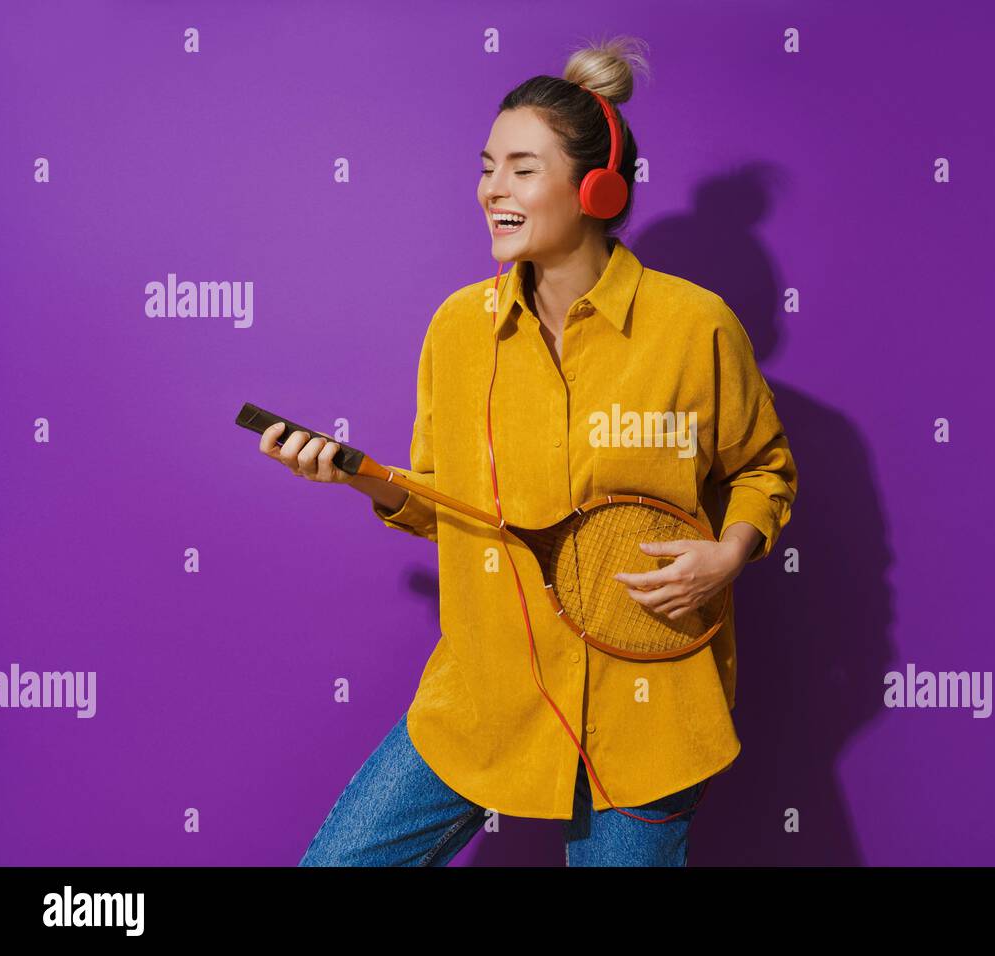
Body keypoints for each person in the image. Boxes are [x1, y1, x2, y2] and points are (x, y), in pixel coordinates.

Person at [264, 35, 798, 866]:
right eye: (486, 167)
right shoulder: (456, 330)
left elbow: (763, 467)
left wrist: (729, 552)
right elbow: (443, 502)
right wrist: (364, 480)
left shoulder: (696, 328)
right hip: (488, 696)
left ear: (596, 188)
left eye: (520, 168)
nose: (491, 190)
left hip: (648, 716)